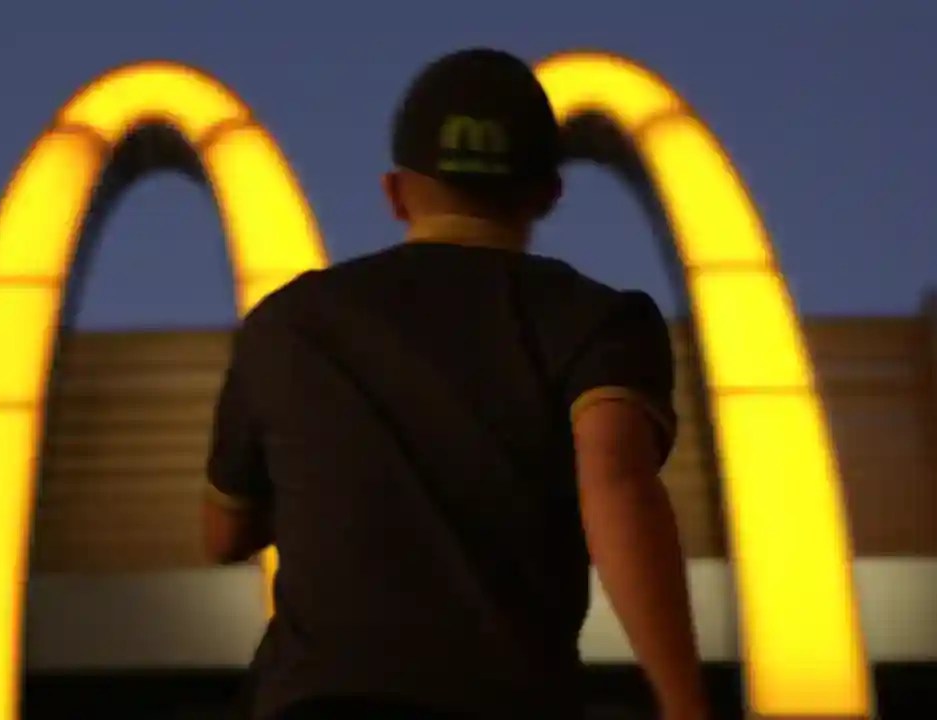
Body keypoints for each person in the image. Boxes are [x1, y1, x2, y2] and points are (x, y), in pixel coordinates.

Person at [201, 47, 709, 720]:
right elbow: (616, 485)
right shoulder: (599, 321)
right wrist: (683, 702)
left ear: (396, 192)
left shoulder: (289, 323)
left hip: (315, 702)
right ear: (548, 193)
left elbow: (223, 535)